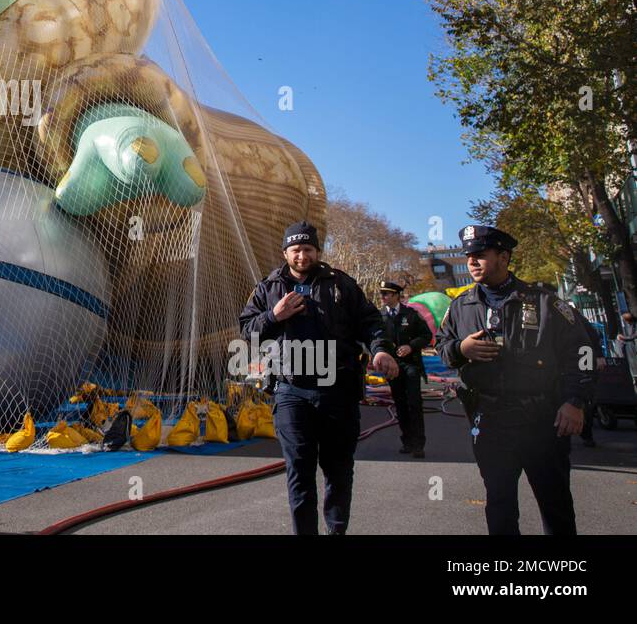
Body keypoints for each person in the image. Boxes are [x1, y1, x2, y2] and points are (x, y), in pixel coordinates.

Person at [239, 221, 399, 535]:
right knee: (299, 471)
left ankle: (336, 531)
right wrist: (274, 316)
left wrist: (380, 349)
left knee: (339, 471)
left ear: (317, 251)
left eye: (308, 249)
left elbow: (371, 322)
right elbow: (247, 331)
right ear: (285, 252)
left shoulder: (341, 284)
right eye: (295, 250)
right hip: (291, 392)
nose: (302, 256)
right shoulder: (268, 288)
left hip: (337, 391)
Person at [435, 225, 595, 535]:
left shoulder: (544, 302)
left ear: (504, 257)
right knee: (499, 505)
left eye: (480, 255)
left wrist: (575, 401)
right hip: (490, 421)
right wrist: (460, 348)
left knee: (555, 504)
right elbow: (443, 346)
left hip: (541, 420)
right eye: (469, 257)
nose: (472, 262)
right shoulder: (460, 306)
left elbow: (583, 352)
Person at [378, 281, 430, 458]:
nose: (383, 297)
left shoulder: (411, 314)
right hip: (392, 366)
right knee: (400, 404)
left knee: (414, 403)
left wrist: (411, 346)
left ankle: (418, 444)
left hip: (411, 364)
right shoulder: (380, 317)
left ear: (396, 295)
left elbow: (426, 335)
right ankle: (407, 441)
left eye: (387, 294)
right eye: (382, 294)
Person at [618, 312, 637, 386]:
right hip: (630, 347)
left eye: (624, 320)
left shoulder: (634, 325)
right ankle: (634, 378)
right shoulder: (628, 326)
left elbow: (634, 336)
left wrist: (623, 338)